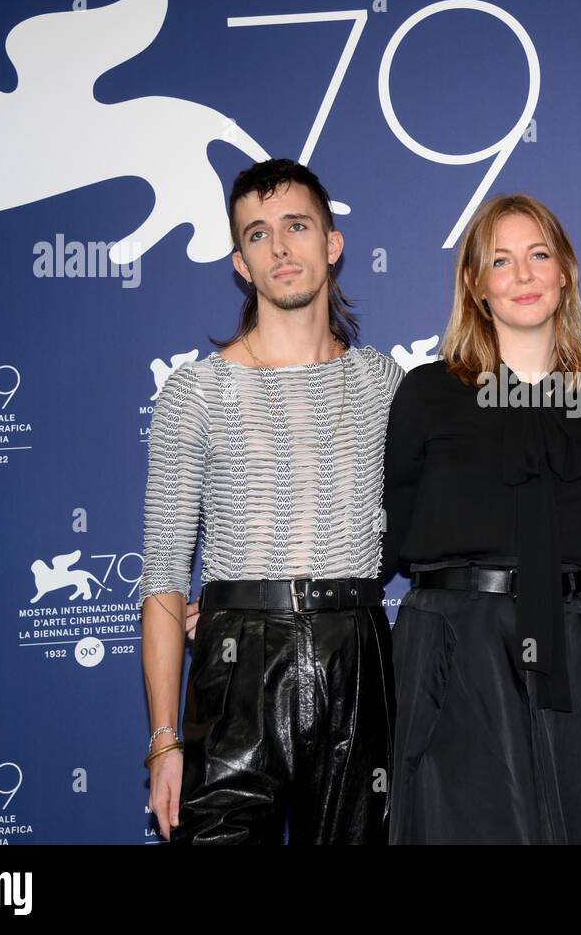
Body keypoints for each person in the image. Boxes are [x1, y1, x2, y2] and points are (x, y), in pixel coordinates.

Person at [139, 158, 402, 844]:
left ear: (332, 243)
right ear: (240, 262)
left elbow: (424, 525)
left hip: (358, 653)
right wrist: (165, 741)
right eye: (258, 235)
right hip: (237, 670)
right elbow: (164, 576)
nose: (280, 247)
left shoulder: (384, 384)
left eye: (296, 226)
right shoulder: (192, 394)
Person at [381, 193, 581, 844]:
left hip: (569, 655)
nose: (523, 275)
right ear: (476, 284)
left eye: (538, 255)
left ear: (565, 272)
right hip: (454, 654)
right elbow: (382, 534)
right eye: (502, 260)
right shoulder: (426, 392)